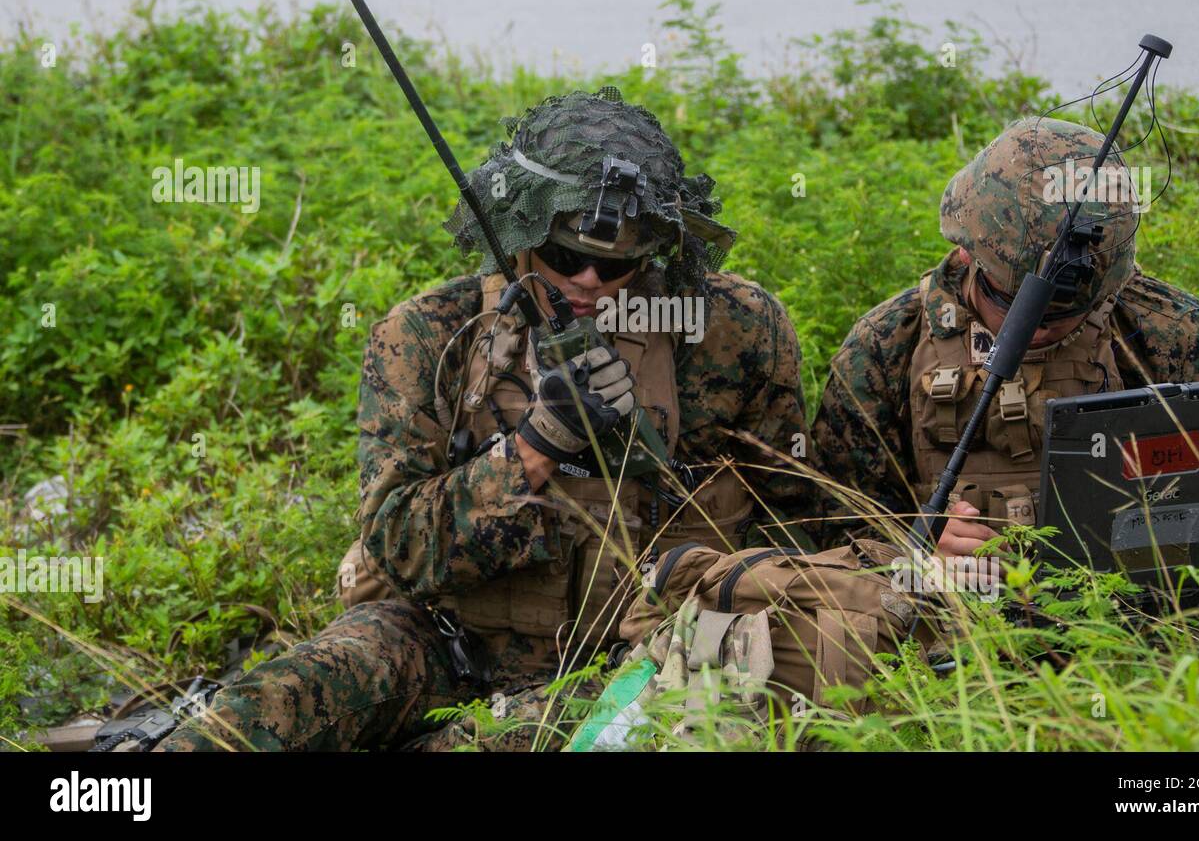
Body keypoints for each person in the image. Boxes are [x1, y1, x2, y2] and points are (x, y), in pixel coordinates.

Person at [160, 88, 814, 751]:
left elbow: (798, 522)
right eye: (565, 257)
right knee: (276, 702)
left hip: (638, 664)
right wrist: (538, 444)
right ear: (519, 233)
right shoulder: (429, 334)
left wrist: (697, 636)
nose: (589, 281)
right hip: (448, 641)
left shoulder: (732, 332)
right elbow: (399, 546)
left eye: (616, 265)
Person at [812, 117, 1199, 596]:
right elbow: (827, 527)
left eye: (1067, 314)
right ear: (966, 255)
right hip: (947, 626)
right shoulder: (888, 345)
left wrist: (1174, 547)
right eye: (1015, 305)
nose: (1040, 328)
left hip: (1135, 624)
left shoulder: (1167, 331)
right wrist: (912, 555)